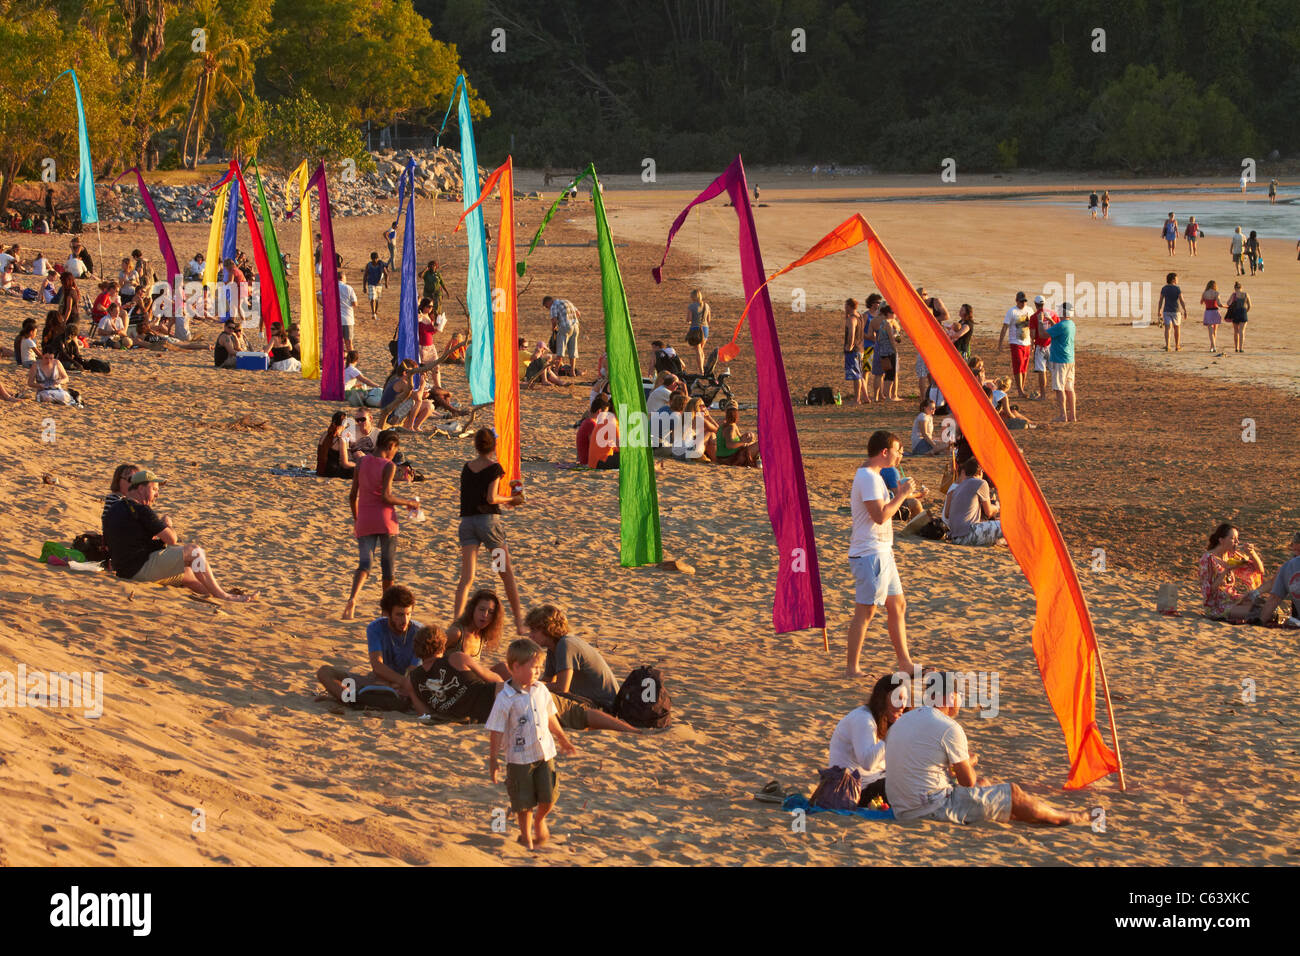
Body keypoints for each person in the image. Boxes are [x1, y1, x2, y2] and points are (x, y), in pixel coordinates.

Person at [885, 670, 1089, 825]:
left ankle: (1031, 811)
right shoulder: (948, 727)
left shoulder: (907, 719)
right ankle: (1067, 817)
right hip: (931, 809)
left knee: (986, 784)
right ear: (951, 697)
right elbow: (968, 782)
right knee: (1013, 792)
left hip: (902, 807)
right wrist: (969, 762)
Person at [102, 469, 254, 601]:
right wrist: (167, 524)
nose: (157, 494)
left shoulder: (115, 508)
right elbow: (171, 539)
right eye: (154, 489)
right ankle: (223, 595)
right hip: (139, 570)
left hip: (125, 570)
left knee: (188, 573)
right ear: (141, 488)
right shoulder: (141, 509)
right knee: (195, 551)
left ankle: (220, 595)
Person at [486, 637, 577, 850]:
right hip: (519, 759)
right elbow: (496, 730)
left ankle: (540, 820)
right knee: (523, 801)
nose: (538, 671)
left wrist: (563, 739)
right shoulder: (505, 698)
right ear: (515, 667)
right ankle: (526, 837)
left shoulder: (541, 690)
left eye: (540, 667)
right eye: (534, 667)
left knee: (549, 796)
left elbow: (550, 717)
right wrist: (493, 759)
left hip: (544, 754)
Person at [846, 430, 916, 678]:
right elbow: (880, 515)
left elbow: (883, 510)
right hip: (869, 553)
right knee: (866, 612)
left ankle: (905, 663)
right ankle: (852, 668)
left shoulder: (873, 475)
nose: (901, 455)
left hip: (882, 551)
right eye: (898, 450)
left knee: (898, 605)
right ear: (884, 452)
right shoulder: (867, 476)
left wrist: (907, 495)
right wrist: (902, 495)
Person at [341, 428, 419, 619]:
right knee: (388, 566)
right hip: (386, 521)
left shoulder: (361, 462)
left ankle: (352, 599)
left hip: (365, 519)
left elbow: (352, 496)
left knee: (365, 564)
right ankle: (386, 610)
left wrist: (356, 519)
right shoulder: (389, 466)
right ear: (391, 446)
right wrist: (409, 503)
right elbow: (386, 497)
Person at [455, 428, 527, 635]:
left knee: (466, 578)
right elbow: (491, 498)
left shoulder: (467, 468)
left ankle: (456, 623)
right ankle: (519, 623)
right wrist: (512, 500)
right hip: (488, 526)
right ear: (493, 446)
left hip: (467, 524)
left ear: (476, 445)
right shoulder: (494, 468)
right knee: (505, 574)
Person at [317, 585, 423, 711]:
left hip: (408, 686)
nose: (405, 620)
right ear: (387, 613)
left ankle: (359, 700)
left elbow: (413, 670)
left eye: (408, 614)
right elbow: (377, 665)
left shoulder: (419, 632)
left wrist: (402, 683)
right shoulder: (375, 628)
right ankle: (353, 700)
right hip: (380, 681)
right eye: (399, 615)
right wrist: (390, 683)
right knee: (324, 672)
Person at [827, 673, 907, 805]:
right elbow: (868, 763)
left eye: (905, 699)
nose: (902, 705)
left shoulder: (882, 721)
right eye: (897, 698)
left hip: (874, 781)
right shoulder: (863, 719)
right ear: (882, 698)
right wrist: (892, 735)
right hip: (853, 789)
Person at [525, 605, 617, 712]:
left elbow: (562, 688)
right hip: (590, 701)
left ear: (548, 630)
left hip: (604, 706)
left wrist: (533, 686)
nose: (530, 635)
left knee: (539, 698)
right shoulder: (553, 648)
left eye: (534, 630)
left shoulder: (566, 644)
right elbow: (548, 680)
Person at [1198, 523, 1265, 622]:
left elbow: (1259, 570)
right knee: (1259, 612)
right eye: (1233, 539)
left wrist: (1252, 553)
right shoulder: (1208, 559)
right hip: (1217, 606)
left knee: (1264, 605)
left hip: (1233, 599)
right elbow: (1209, 590)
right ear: (1221, 540)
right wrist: (1227, 570)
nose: (1237, 542)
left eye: (1237, 539)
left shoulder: (1231, 555)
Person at [942, 458, 1003, 546]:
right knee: (1006, 525)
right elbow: (989, 512)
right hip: (968, 534)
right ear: (980, 472)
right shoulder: (981, 483)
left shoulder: (957, 487)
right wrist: (997, 507)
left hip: (956, 538)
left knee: (992, 529)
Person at [1044, 301, 1077, 422]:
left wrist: (1040, 322)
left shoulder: (1061, 325)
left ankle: (1063, 415)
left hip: (1059, 360)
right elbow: (1058, 329)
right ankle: (1072, 415)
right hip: (1069, 360)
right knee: (1070, 388)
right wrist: (1051, 321)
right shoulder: (1071, 324)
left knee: (1059, 388)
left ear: (1063, 312)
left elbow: (1043, 335)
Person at [1258, 532, 1300, 626]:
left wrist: (1260, 623)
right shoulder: (1287, 567)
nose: (1294, 552)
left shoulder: (1288, 567)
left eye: (1296, 550)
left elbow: (1274, 599)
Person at [996, 291, 1032, 399]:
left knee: (1024, 367)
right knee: (1018, 365)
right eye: (1021, 301)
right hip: (1015, 342)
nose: (1023, 303)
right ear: (1017, 301)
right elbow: (1005, 327)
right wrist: (1000, 343)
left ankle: (1022, 388)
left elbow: (1033, 326)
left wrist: (1033, 341)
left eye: (1025, 301)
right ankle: (1020, 390)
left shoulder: (1030, 310)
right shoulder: (1012, 311)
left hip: (1027, 342)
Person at [1027, 295, 1056, 400]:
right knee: (1054, 370)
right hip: (1051, 345)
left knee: (1041, 371)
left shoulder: (1034, 317)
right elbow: (1057, 327)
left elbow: (1033, 335)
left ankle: (1043, 395)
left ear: (1035, 304)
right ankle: (1059, 393)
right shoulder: (1052, 314)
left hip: (1040, 346)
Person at [543, 295, 581, 375]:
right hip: (575, 326)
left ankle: (556, 372)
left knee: (560, 350)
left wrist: (554, 329)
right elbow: (578, 313)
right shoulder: (567, 301)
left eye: (547, 307)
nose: (548, 308)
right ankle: (572, 371)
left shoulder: (553, 306)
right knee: (573, 349)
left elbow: (554, 320)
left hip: (565, 327)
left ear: (548, 302)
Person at [715, 402, 759, 467]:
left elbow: (739, 439)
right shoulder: (731, 427)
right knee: (761, 444)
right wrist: (743, 442)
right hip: (731, 459)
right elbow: (729, 445)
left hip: (722, 458)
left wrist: (745, 438)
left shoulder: (724, 425)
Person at [317, 411, 356, 479]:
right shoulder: (340, 439)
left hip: (319, 471)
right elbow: (345, 464)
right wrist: (358, 465)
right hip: (331, 472)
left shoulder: (324, 434)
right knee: (355, 469)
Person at [842, 297, 867, 404]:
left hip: (854, 350)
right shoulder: (860, 316)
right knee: (860, 375)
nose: (845, 308)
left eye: (846, 306)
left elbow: (852, 333)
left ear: (850, 306)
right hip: (861, 348)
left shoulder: (852, 319)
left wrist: (849, 345)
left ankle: (857, 399)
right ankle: (866, 397)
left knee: (856, 375)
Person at [1157, 271, 1185, 352]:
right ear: (1173, 280)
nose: (1177, 280)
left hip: (1166, 311)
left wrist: (1159, 310)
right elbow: (1181, 300)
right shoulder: (1177, 288)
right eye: (1176, 278)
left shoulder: (1164, 288)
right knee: (1177, 328)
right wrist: (1185, 310)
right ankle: (1177, 346)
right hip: (1176, 311)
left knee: (1167, 328)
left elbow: (1160, 300)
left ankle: (1168, 345)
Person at [686, 288, 711, 373]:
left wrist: (691, 321)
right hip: (705, 329)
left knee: (697, 351)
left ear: (693, 297)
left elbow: (688, 319)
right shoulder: (706, 306)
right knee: (701, 350)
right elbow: (709, 320)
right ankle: (702, 367)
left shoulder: (692, 306)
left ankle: (701, 370)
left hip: (695, 329)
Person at [1224, 281, 1250, 352]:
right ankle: (1241, 348)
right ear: (1241, 287)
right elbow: (1250, 305)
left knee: (1236, 331)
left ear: (1235, 288)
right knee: (1242, 331)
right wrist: (1246, 311)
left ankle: (1236, 348)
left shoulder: (1234, 295)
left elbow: (1228, 303)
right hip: (1243, 312)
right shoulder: (1245, 294)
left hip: (1235, 313)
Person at [363, 252, 388, 319]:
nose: (375, 261)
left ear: (377, 258)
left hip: (379, 284)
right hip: (371, 284)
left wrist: (386, 283)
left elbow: (386, 274)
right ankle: (373, 313)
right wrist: (364, 287)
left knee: (377, 299)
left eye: (375, 259)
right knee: (372, 298)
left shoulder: (381, 264)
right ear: (371, 259)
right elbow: (365, 276)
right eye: (373, 259)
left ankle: (375, 312)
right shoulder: (369, 265)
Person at [1200, 280, 1224, 352]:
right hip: (1215, 311)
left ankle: (1212, 346)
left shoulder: (1204, 293)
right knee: (1215, 331)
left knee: (1210, 331)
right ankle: (1213, 346)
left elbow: (1201, 302)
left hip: (1208, 312)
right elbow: (1219, 304)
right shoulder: (1216, 293)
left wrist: (1206, 300)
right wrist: (1225, 306)